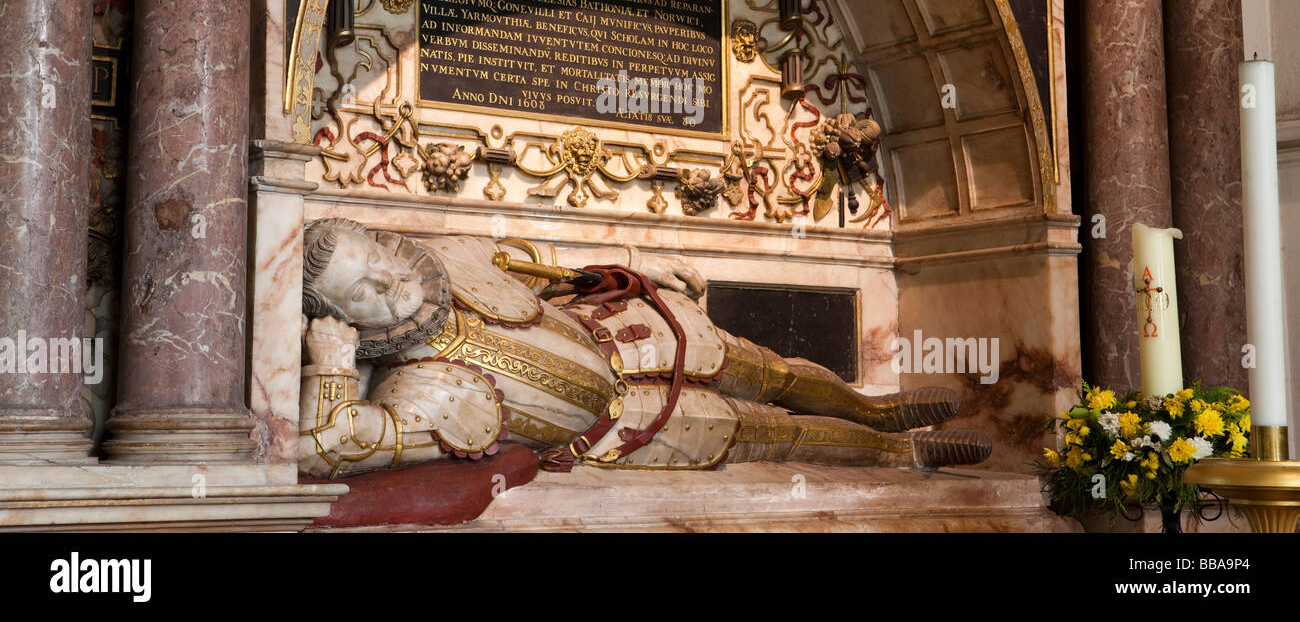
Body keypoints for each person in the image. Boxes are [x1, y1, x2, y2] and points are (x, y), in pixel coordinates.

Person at [299, 217, 991, 478]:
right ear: (339, 318)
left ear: (391, 243)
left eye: (377, 258)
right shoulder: (410, 390)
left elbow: (554, 272)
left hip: (628, 332)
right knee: (775, 437)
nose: (388, 283)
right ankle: (904, 451)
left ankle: (875, 410)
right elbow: (325, 449)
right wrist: (331, 369)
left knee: (775, 372)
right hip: (622, 431)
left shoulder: (453, 258)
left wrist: (640, 264)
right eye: (359, 293)